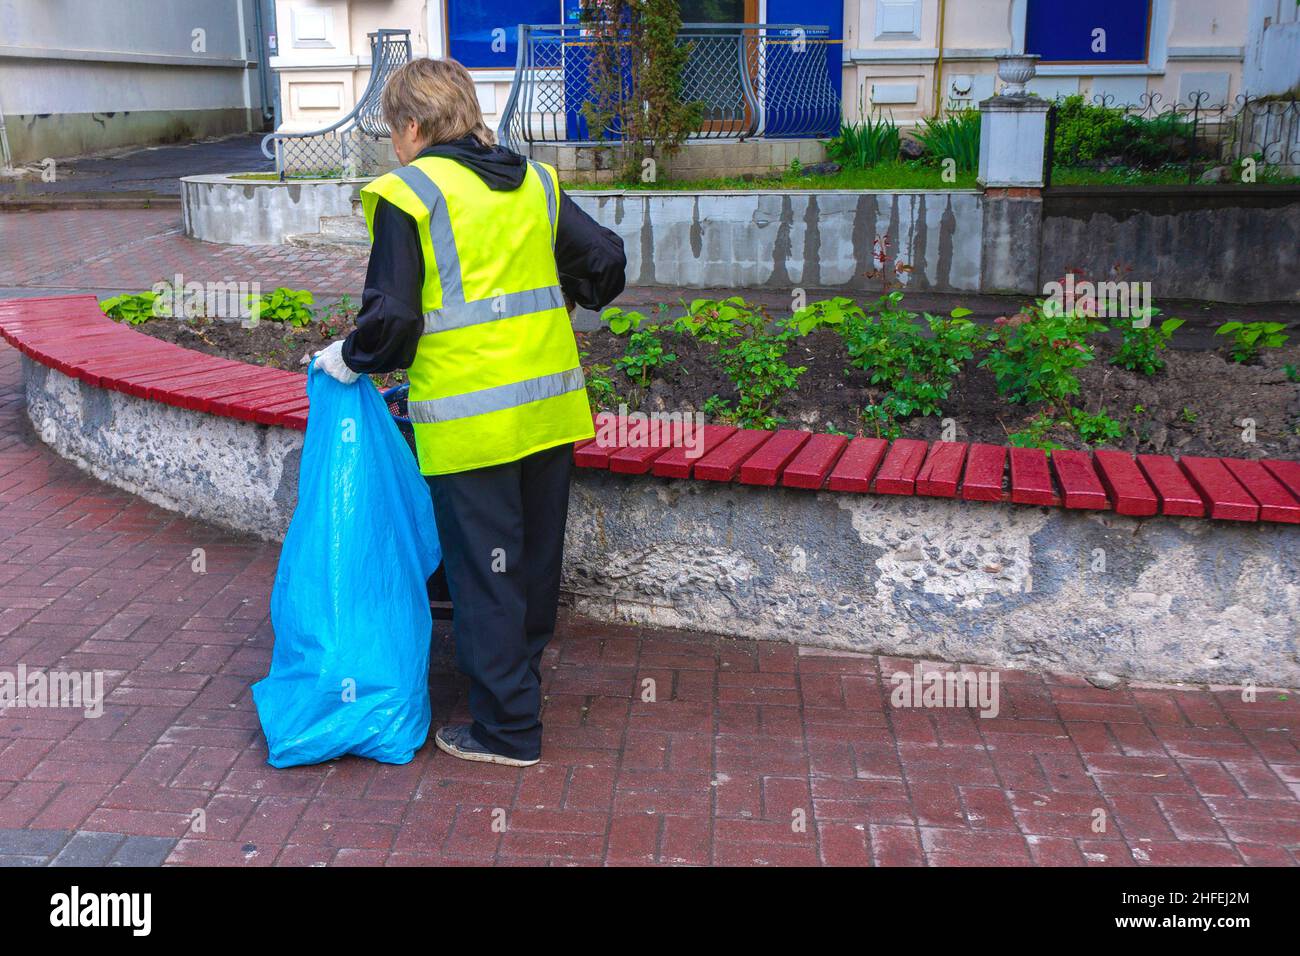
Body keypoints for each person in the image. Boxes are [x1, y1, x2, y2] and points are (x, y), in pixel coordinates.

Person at [314, 57, 626, 767]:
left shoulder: (410, 190)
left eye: (394, 130)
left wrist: (350, 356)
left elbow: (391, 318)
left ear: (415, 127)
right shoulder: (536, 183)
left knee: (486, 573)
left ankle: (507, 731)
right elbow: (606, 262)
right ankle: (518, 688)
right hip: (548, 414)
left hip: (470, 420)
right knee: (532, 566)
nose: (392, 145)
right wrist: (564, 286)